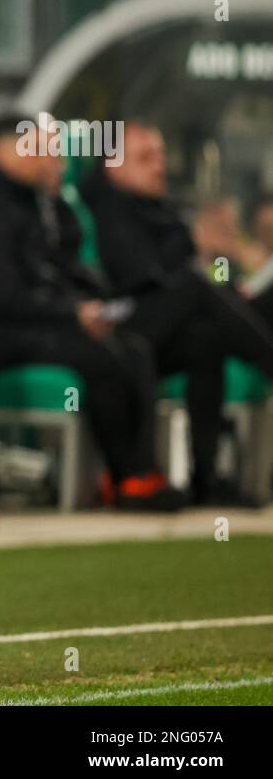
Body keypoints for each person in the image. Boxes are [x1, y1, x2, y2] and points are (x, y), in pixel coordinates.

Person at [0, 114, 179, 509]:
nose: (54, 160)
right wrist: (70, 315)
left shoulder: (27, 199)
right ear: (7, 151)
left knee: (133, 350)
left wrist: (87, 307)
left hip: (26, 323)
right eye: (44, 150)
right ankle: (126, 479)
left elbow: (55, 269)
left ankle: (140, 474)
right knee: (99, 357)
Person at [80, 120, 273, 504]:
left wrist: (224, 275)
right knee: (196, 287)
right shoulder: (101, 210)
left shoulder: (161, 211)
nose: (158, 166)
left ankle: (206, 477)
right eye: (145, 157)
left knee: (208, 337)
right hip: (122, 326)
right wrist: (206, 271)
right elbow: (140, 279)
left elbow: (195, 267)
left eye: (160, 155)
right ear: (112, 165)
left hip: (168, 326)